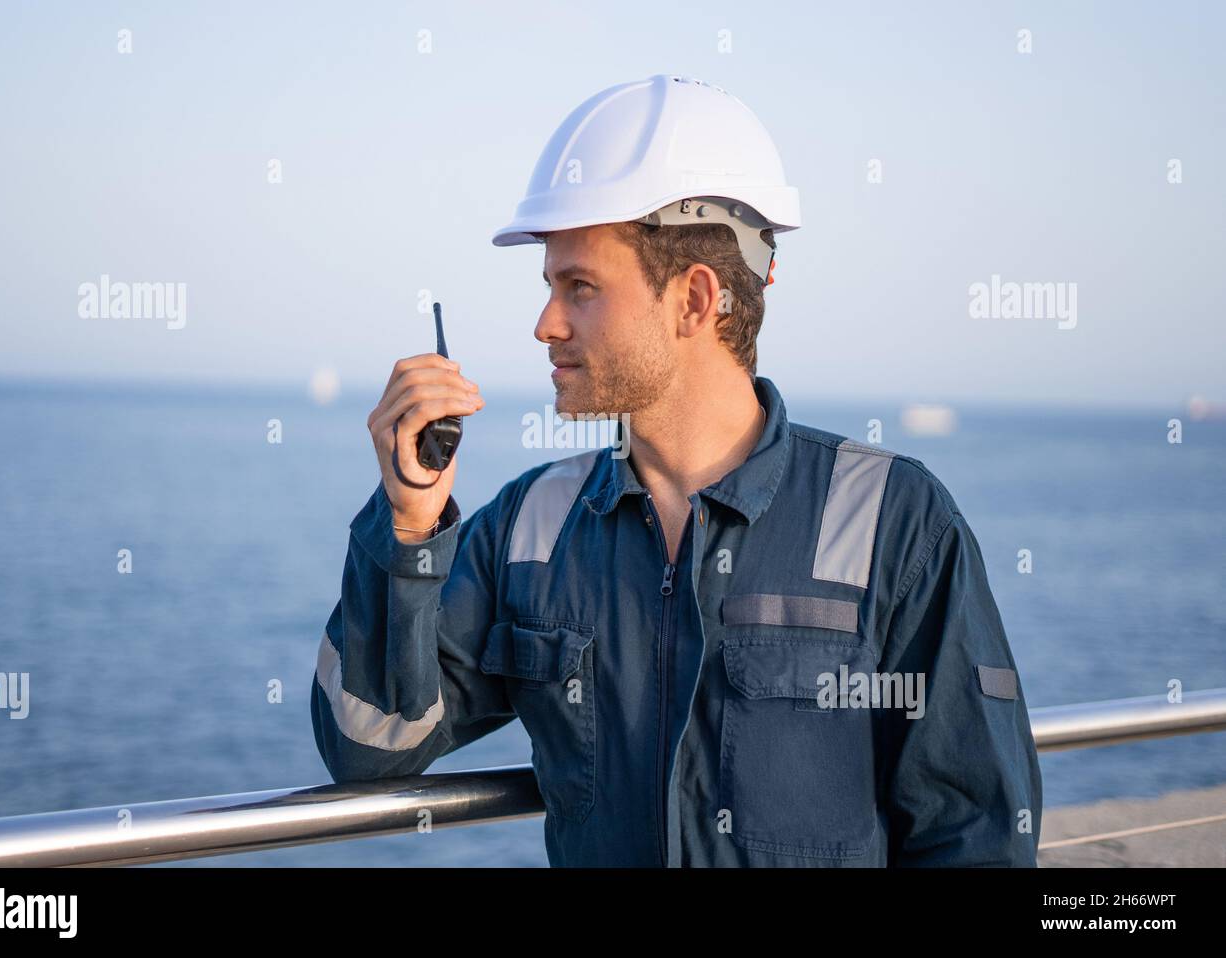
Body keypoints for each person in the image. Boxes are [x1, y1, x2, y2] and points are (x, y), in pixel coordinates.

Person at [311, 74, 1042, 866]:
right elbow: (370, 747)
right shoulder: (531, 528)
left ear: (695, 301)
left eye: (579, 287)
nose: (545, 324)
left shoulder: (894, 521)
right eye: (551, 287)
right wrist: (411, 524)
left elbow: (976, 837)